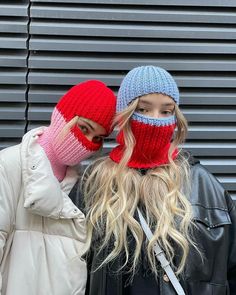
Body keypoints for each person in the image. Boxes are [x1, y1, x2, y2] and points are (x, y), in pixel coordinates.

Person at [80, 66, 236, 294]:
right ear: (125, 114)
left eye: (166, 111)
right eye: (143, 109)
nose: (155, 120)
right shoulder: (96, 183)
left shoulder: (202, 184)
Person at [0, 80, 116, 295]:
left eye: (97, 138)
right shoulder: (10, 165)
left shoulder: (84, 183)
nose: (87, 143)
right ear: (61, 116)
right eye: (83, 128)